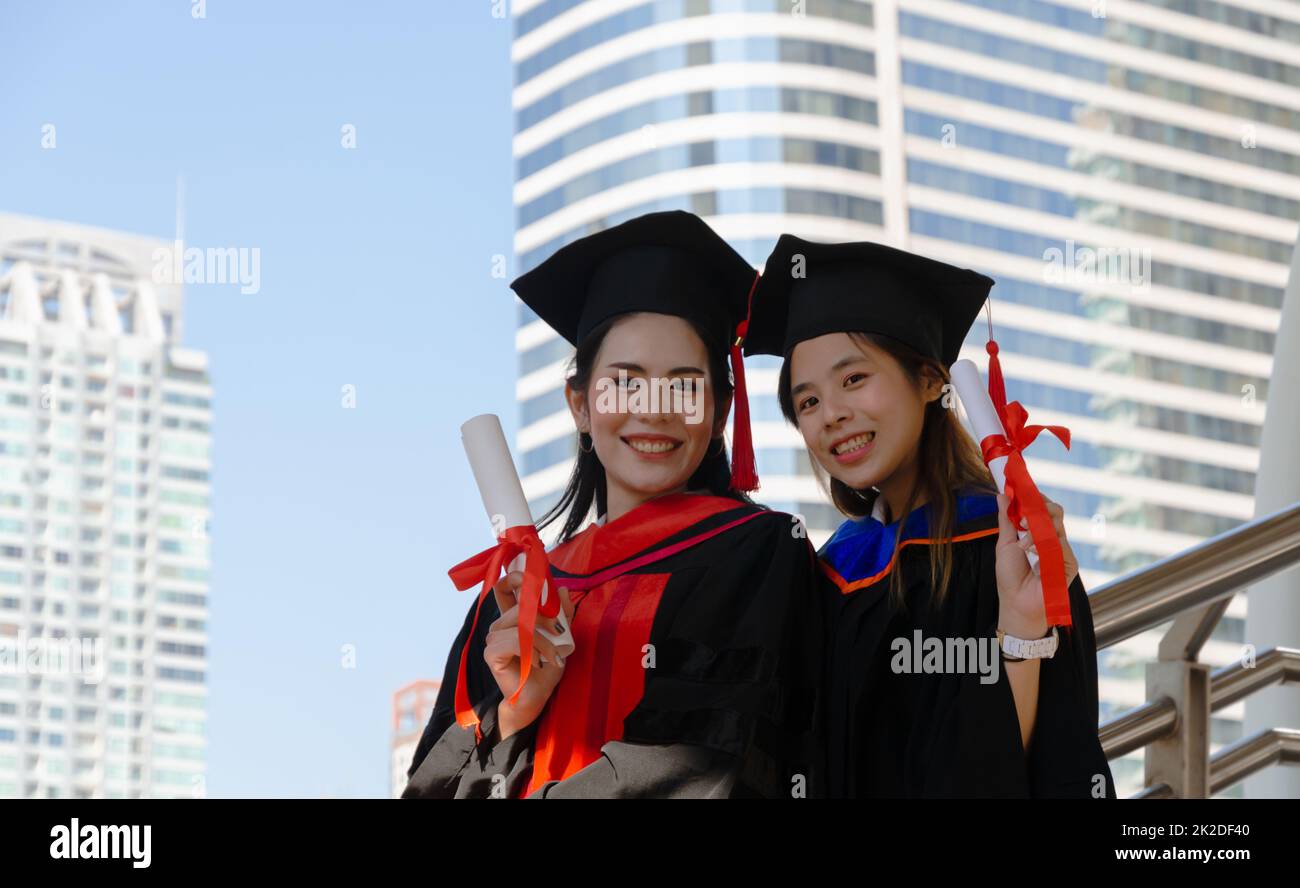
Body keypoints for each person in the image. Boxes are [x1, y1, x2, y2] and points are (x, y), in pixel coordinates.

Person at [403, 212, 824, 798]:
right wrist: (512, 718)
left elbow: (707, 766)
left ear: (721, 412)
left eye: (684, 385)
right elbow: (428, 788)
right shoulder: (516, 595)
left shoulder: (757, 554)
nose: (654, 409)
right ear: (579, 405)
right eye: (624, 381)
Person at [743, 234, 1115, 798]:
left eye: (853, 379)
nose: (832, 415)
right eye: (808, 402)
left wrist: (1019, 633)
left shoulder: (1007, 548)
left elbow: (1048, 757)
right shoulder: (828, 577)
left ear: (930, 380)